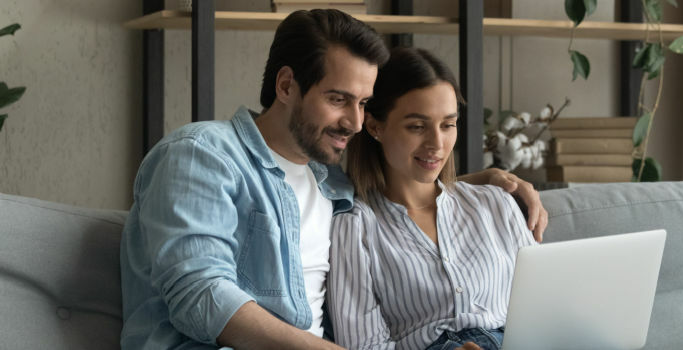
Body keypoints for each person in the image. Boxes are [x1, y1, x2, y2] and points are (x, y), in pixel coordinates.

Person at [120, 9, 547, 350]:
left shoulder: (331, 185)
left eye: (363, 103)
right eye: (338, 99)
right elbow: (200, 295)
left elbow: (409, 194)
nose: (356, 122)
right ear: (287, 84)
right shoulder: (201, 154)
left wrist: (485, 184)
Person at [327, 47, 539, 350]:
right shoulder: (354, 227)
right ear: (375, 126)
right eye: (417, 127)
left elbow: (545, 310)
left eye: (448, 124)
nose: (437, 144)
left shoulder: (496, 203)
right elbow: (365, 346)